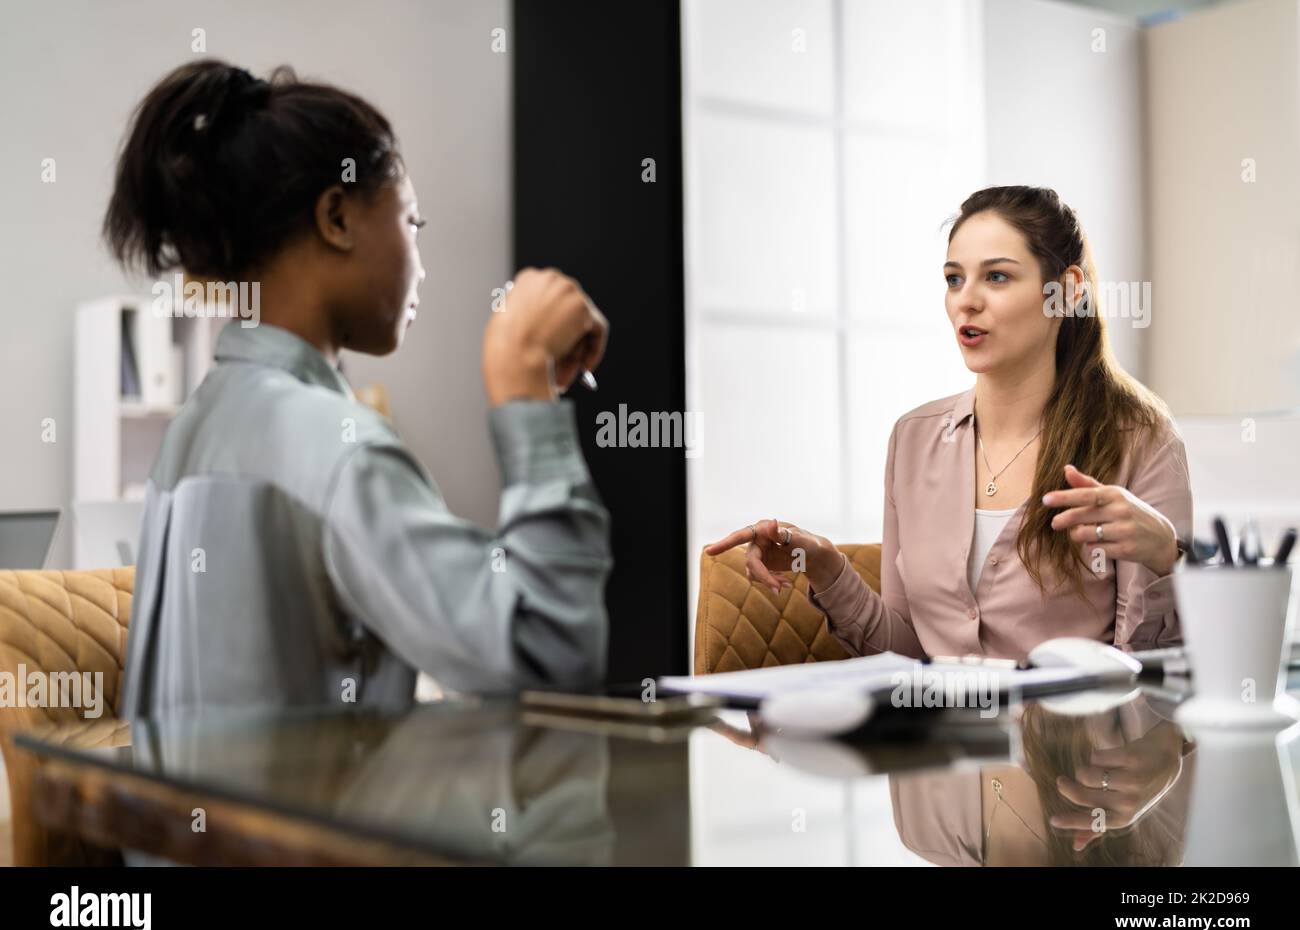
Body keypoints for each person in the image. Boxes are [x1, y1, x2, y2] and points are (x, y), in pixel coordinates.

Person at [103, 60, 611, 716]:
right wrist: (524, 395)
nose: (421, 265)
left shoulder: (192, 427)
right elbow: (549, 660)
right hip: (323, 819)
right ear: (337, 217)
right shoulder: (334, 446)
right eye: (411, 226)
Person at [708, 185, 1192, 659]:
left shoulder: (1140, 440)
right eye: (954, 279)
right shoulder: (913, 439)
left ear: (1064, 292)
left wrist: (1164, 557)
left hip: (1078, 739)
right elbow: (906, 651)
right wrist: (823, 564)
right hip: (943, 739)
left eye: (997, 277)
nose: (966, 300)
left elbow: (1150, 676)